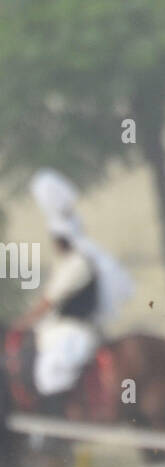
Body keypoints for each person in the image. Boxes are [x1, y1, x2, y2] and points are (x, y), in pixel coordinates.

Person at [18, 170, 134, 398]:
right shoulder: (66, 263)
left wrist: (22, 324)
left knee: (48, 375)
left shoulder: (77, 264)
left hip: (72, 332)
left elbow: (47, 302)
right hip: (58, 328)